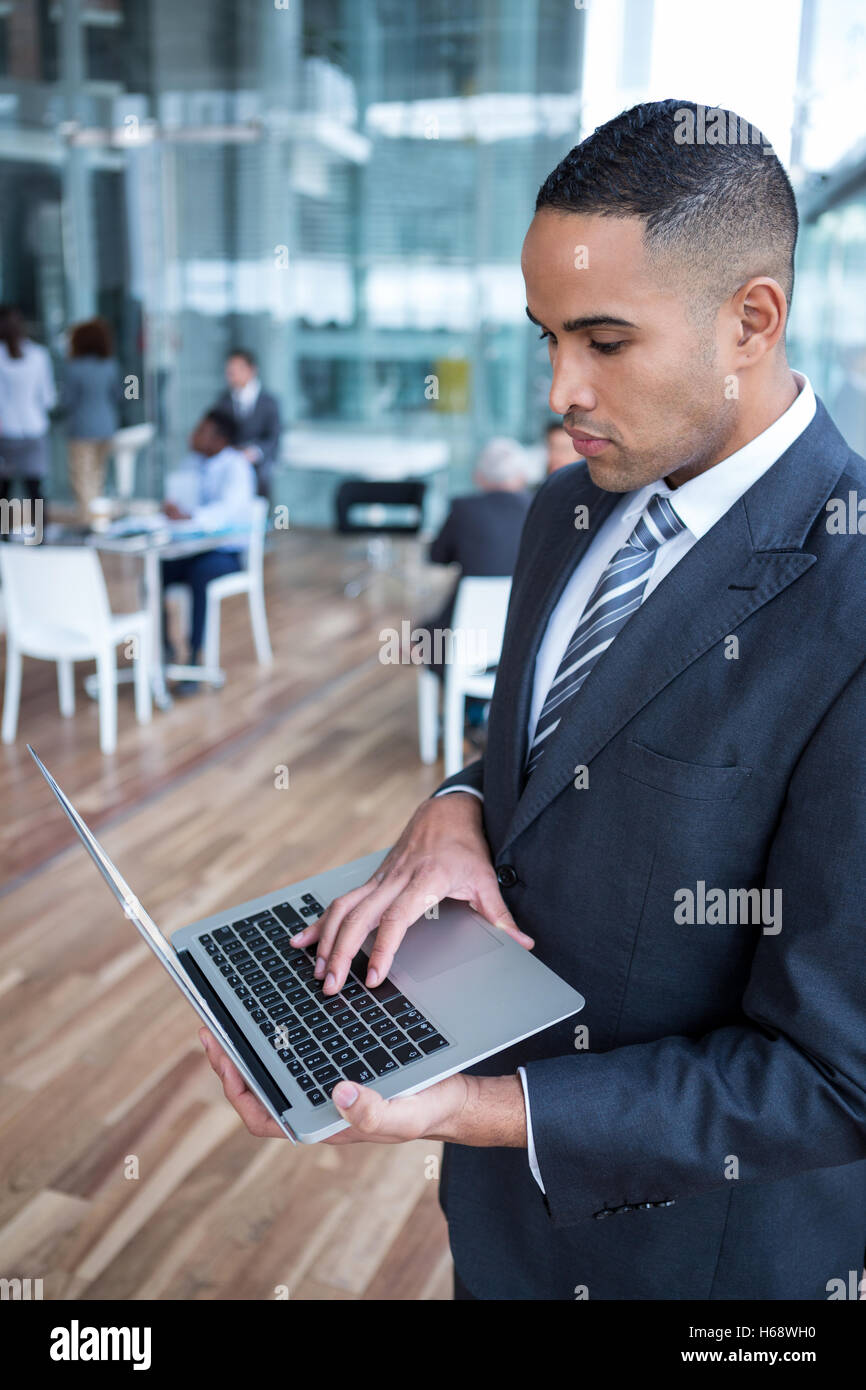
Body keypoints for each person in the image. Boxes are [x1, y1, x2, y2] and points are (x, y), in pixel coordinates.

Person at [198, 99, 866, 1302]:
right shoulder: (571, 510)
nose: (559, 388)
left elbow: (828, 1080)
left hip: (695, 1262)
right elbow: (546, 751)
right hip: (502, 1225)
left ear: (750, 320)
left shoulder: (851, 596)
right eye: (544, 335)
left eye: (603, 341)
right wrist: (459, 798)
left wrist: (475, 1107)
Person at [161, 408, 255, 688]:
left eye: (201, 431)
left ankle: (194, 656)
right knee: (156, 571)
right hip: (190, 548)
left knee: (201, 575)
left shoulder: (236, 467)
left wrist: (190, 516)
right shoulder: (192, 463)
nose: (193, 435)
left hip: (227, 554)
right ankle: (164, 649)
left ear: (220, 440)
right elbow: (177, 498)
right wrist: (172, 509)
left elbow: (226, 512)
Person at [63, 316, 121, 522]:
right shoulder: (110, 366)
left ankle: (89, 522)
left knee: (82, 479)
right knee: (97, 478)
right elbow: (119, 395)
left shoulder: (74, 368)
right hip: (106, 427)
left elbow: (67, 400)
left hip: (82, 429)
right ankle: (97, 519)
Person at [0, 306, 56, 522]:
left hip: (7, 430)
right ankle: (40, 537)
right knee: (35, 488)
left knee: (4, 490)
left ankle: (4, 534)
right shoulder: (39, 355)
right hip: (34, 427)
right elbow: (48, 398)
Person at [212, 349, 281, 502]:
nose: (232, 375)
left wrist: (255, 452)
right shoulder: (223, 401)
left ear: (252, 370)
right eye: (229, 371)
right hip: (229, 463)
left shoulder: (269, 402)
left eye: (237, 370)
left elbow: (274, 438)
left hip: (258, 466)